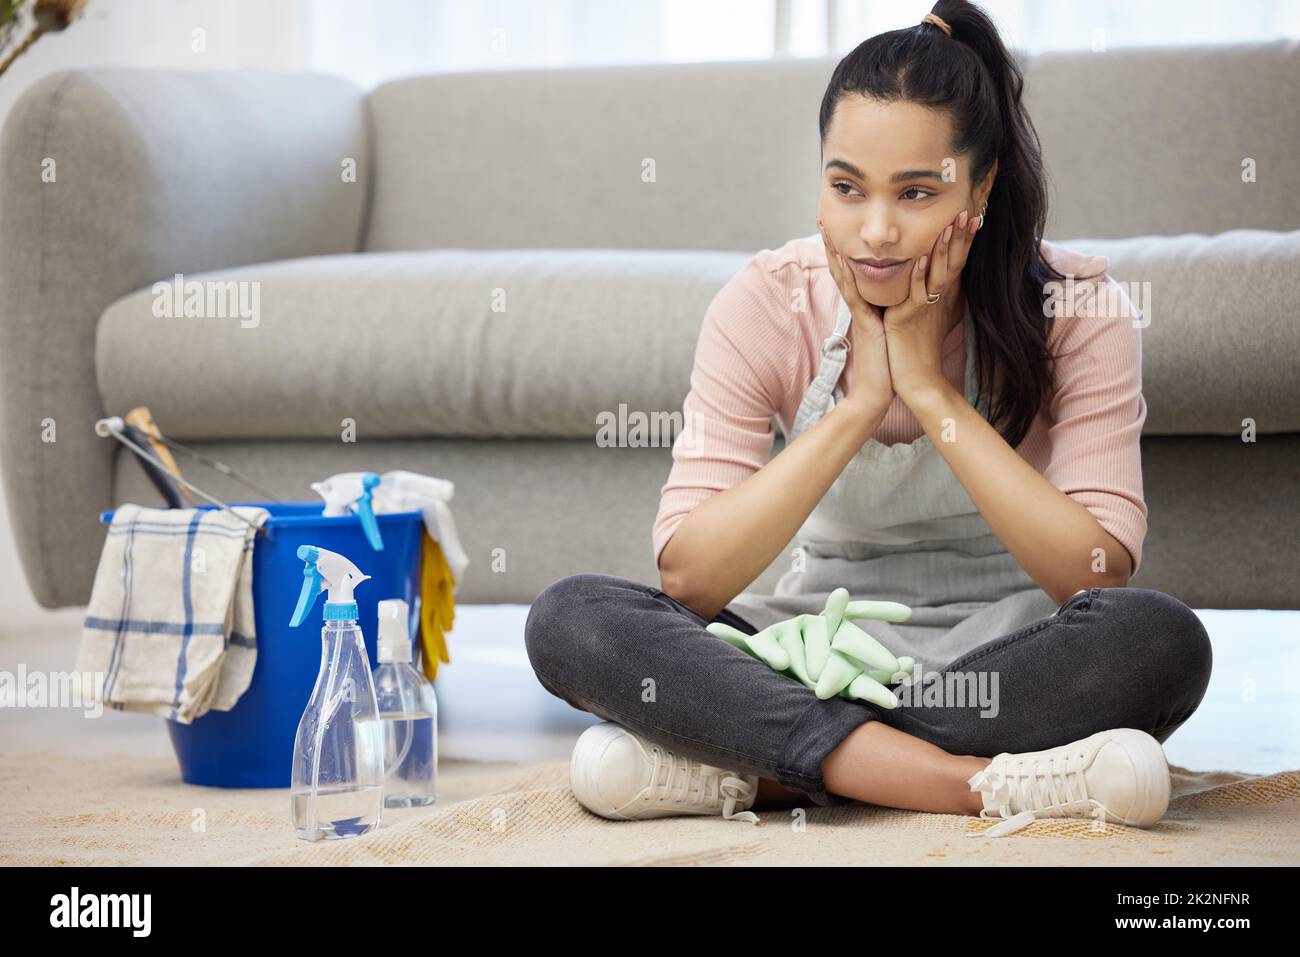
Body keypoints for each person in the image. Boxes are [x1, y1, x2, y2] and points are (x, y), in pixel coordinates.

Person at [525, 0, 1212, 837]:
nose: (876, 233)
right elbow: (691, 578)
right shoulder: (766, 302)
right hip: (815, 649)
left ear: (981, 187)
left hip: (998, 653)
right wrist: (859, 406)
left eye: (917, 192)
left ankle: (760, 772)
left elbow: (1096, 574)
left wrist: (929, 391)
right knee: (571, 618)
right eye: (846, 187)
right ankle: (967, 781)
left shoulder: (1080, 308)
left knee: (1160, 640)